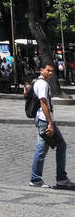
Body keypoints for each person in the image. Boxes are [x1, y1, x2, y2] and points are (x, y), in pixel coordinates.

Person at [29, 61, 73, 189]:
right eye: (48, 70)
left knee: (57, 146)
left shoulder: (40, 82)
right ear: (41, 70)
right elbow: (43, 103)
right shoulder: (42, 84)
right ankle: (38, 179)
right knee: (44, 149)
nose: (50, 73)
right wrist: (50, 123)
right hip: (45, 121)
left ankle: (59, 178)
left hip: (44, 120)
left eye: (52, 71)